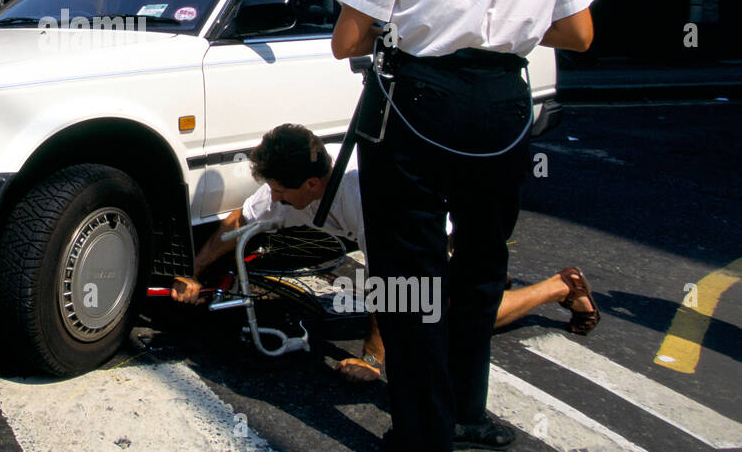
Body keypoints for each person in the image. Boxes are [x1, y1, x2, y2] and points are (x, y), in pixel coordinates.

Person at [329, 0, 598, 452]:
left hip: (421, 108)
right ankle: (468, 411)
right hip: (505, 106)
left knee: (407, 277)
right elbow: (580, 31)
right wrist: (506, 19)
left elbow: (346, 38)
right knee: (481, 262)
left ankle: (424, 443)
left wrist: (414, 23)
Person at [171, 125, 600, 383]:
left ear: (313, 186)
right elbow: (236, 225)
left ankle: (560, 286)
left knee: (450, 320)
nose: (275, 199)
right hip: (385, 233)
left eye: (282, 192)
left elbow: (387, 287)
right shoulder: (291, 188)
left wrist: (372, 360)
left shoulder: (365, 197)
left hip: (434, 231)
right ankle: (480, 282)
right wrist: (193, 273)